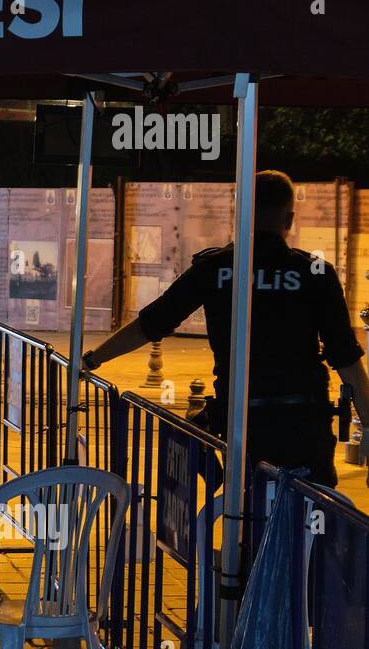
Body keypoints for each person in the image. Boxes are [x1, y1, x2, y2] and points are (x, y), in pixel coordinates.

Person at [82, 170, 369, 490]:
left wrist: (92, 360)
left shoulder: (214, 267)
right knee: (312, 517)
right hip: (304, 423)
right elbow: (348, 362)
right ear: (288, 219)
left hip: (243, 423)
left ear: (239, 213)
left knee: (246, 510)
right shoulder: (315, 273)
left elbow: (149, 325)